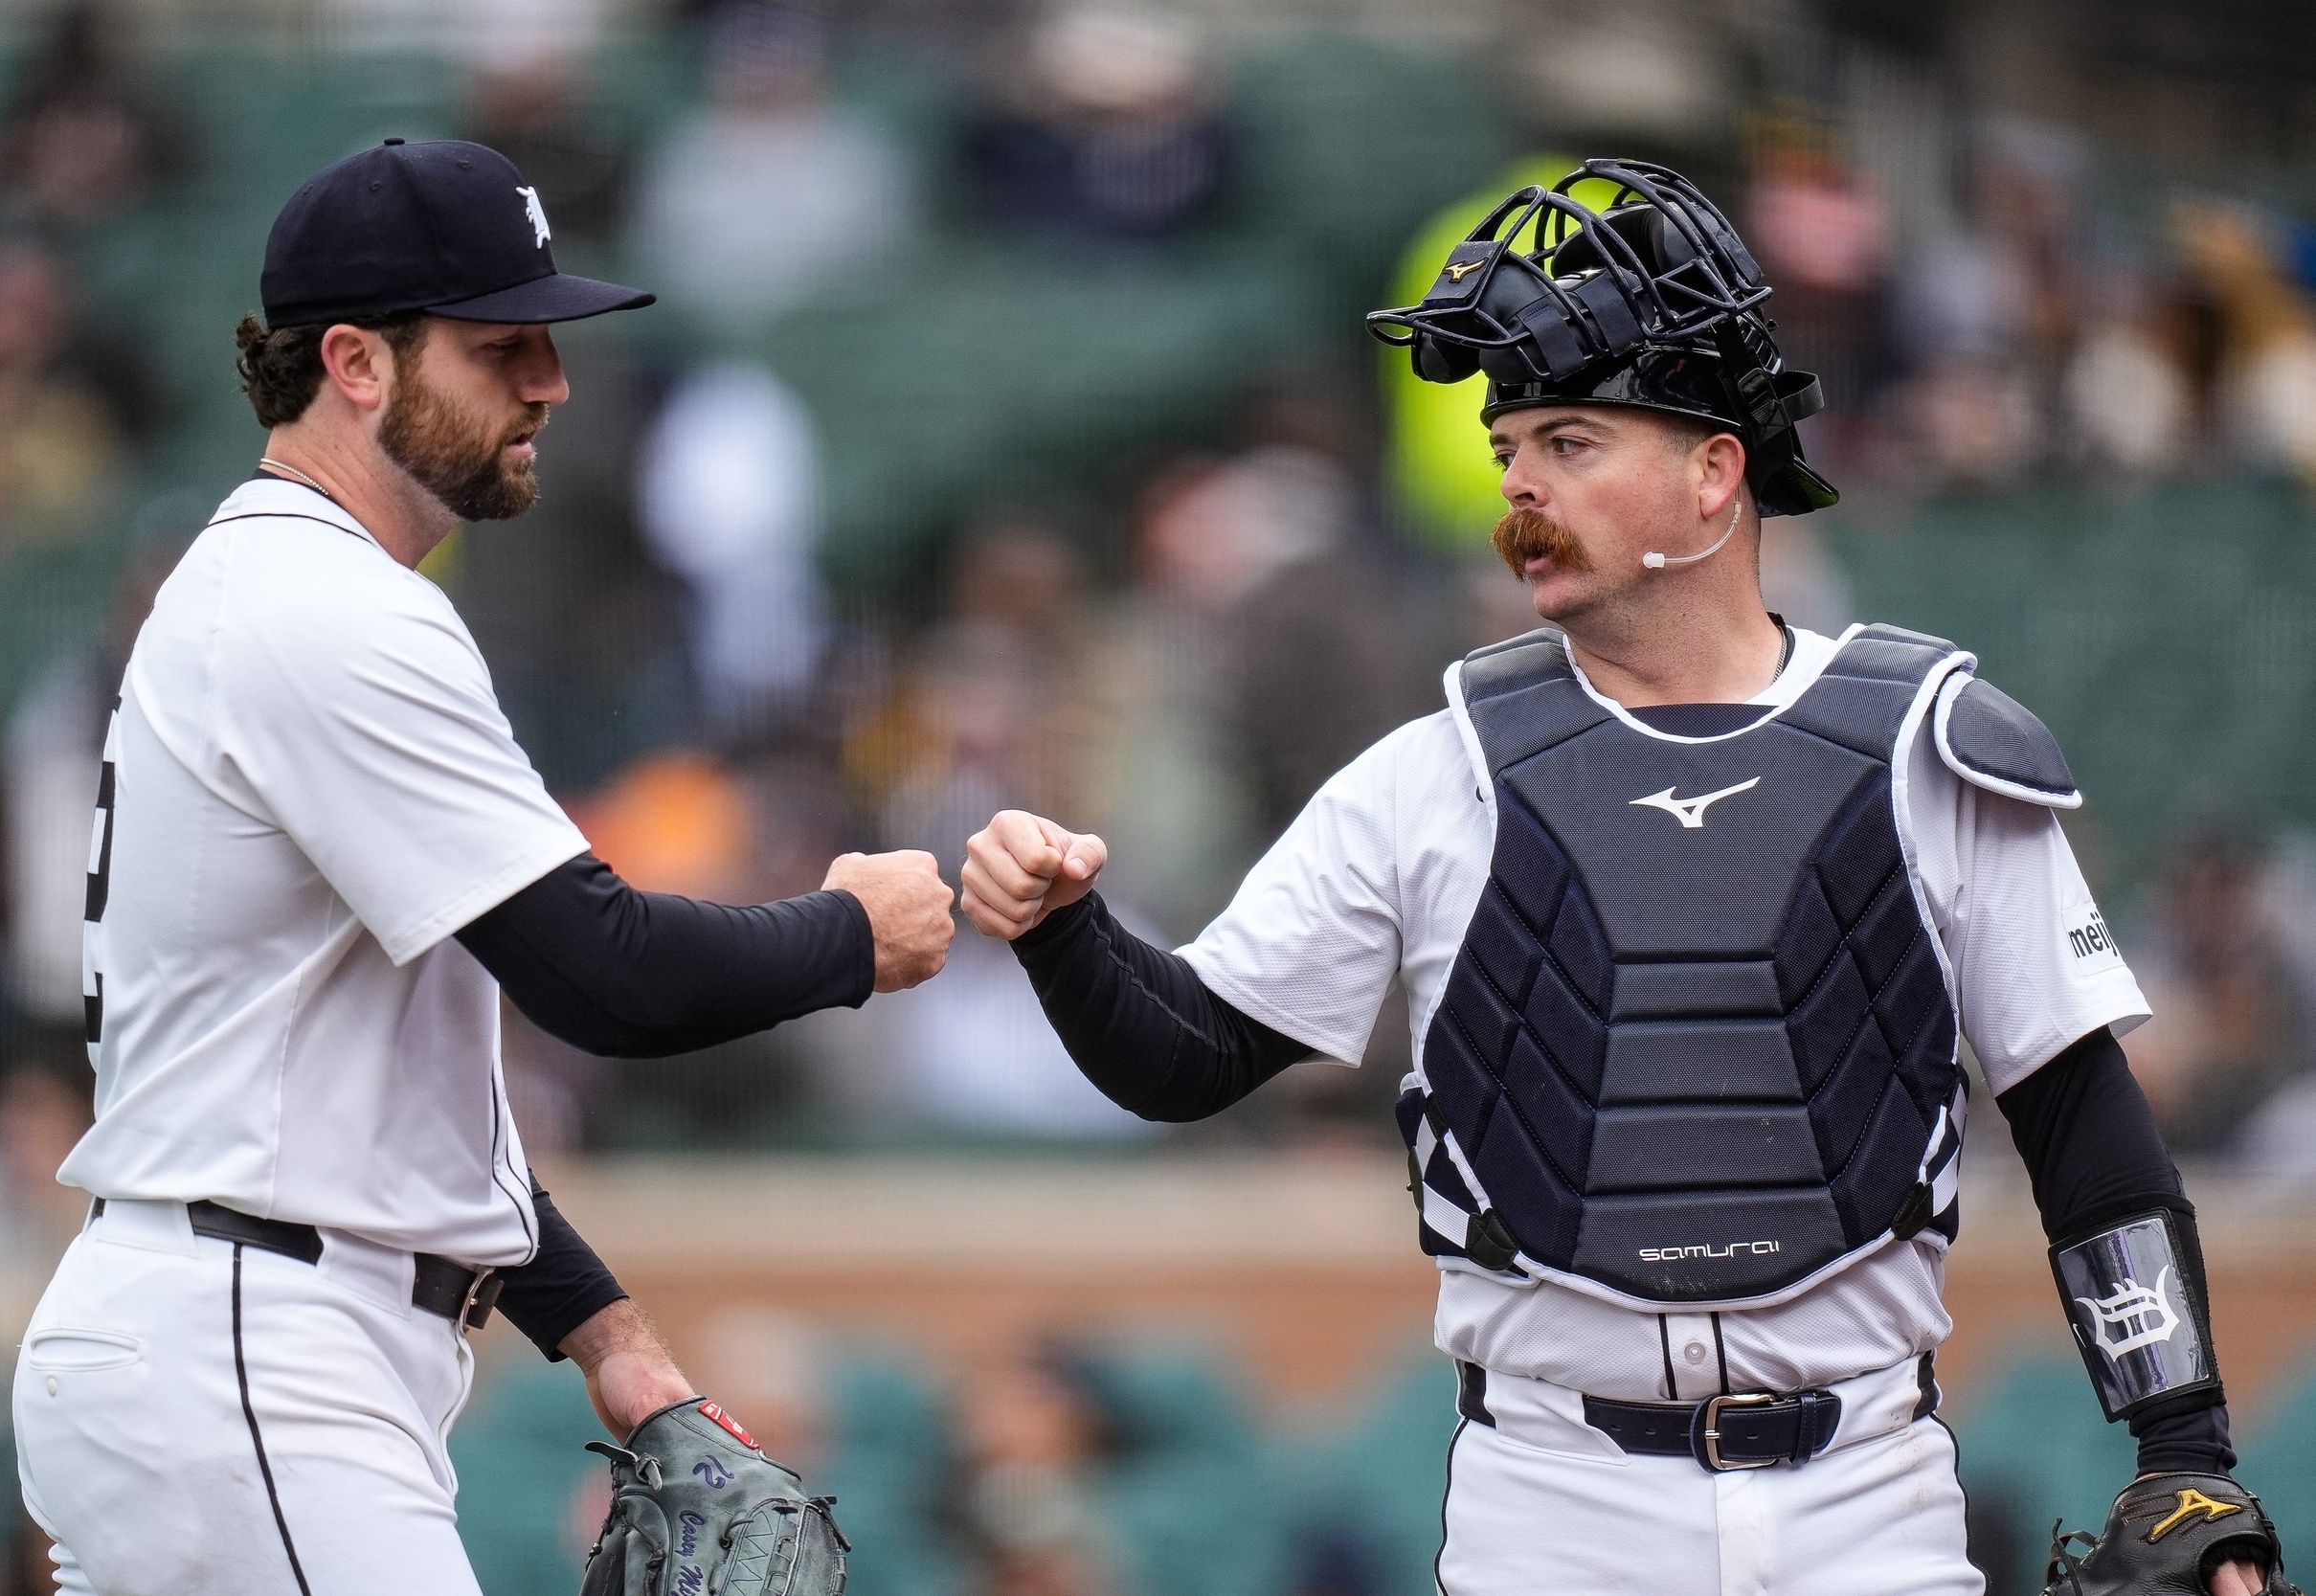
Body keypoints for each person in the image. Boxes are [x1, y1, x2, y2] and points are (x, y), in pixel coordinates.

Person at [961, 161, 2290, 1596]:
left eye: (1574, 441)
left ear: (1717, 472)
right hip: (1554, 1509)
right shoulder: (1434, 775)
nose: (1522, 484)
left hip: (1871, 1502)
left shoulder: (1931, 751)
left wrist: (2182, 1456)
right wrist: (1063, 931)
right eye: (1512, 443)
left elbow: (2084, 1122)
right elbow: (1192, 1054)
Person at [10, 138, 954, 1595]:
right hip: (256, 1355)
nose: (550, 382)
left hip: (240, 1340)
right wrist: (847, 932)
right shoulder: (323, 607)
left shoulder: (288, 585)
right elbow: (604, 974)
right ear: (356, 363)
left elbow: (403, 1075)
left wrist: (608, 1340)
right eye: (500, 344)